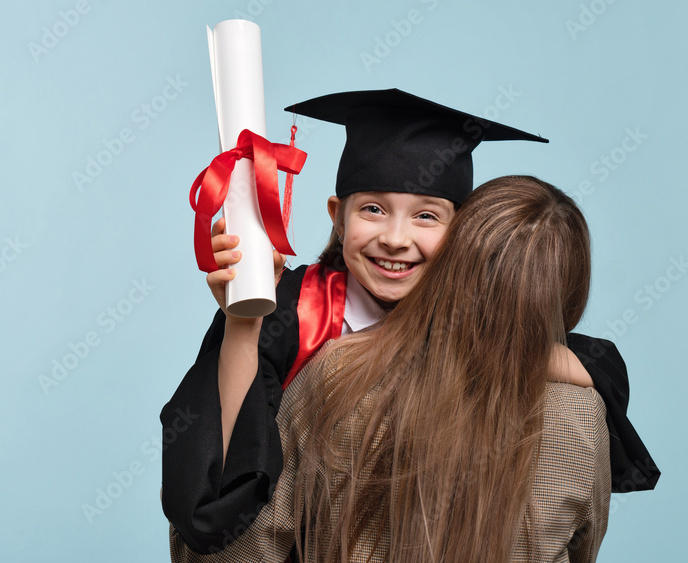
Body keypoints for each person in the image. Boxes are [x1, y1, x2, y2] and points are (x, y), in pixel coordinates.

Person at [161, 89, 658, 555]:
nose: (396, 239)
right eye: (373, 209)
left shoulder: (475, 313)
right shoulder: (293, 307)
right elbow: (215, 498)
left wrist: (521, 355)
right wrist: (242, 321)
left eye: (426, 216)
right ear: (338, 215)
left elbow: (588, 363)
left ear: (460, 231)